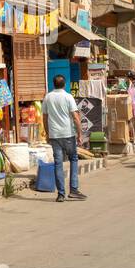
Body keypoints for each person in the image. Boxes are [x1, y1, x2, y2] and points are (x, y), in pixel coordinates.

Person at [42, 74, 85, 202]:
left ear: (53, 84)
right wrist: (80, 134)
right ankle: (73, 190)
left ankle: (61, 194)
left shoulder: (48, 97)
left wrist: (48, 133)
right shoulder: (68, 97)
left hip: (54, 135)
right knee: (73, 159)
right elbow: (75, 117)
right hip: (68, 135)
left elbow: (45, 117)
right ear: (64, 84)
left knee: (58, 163)